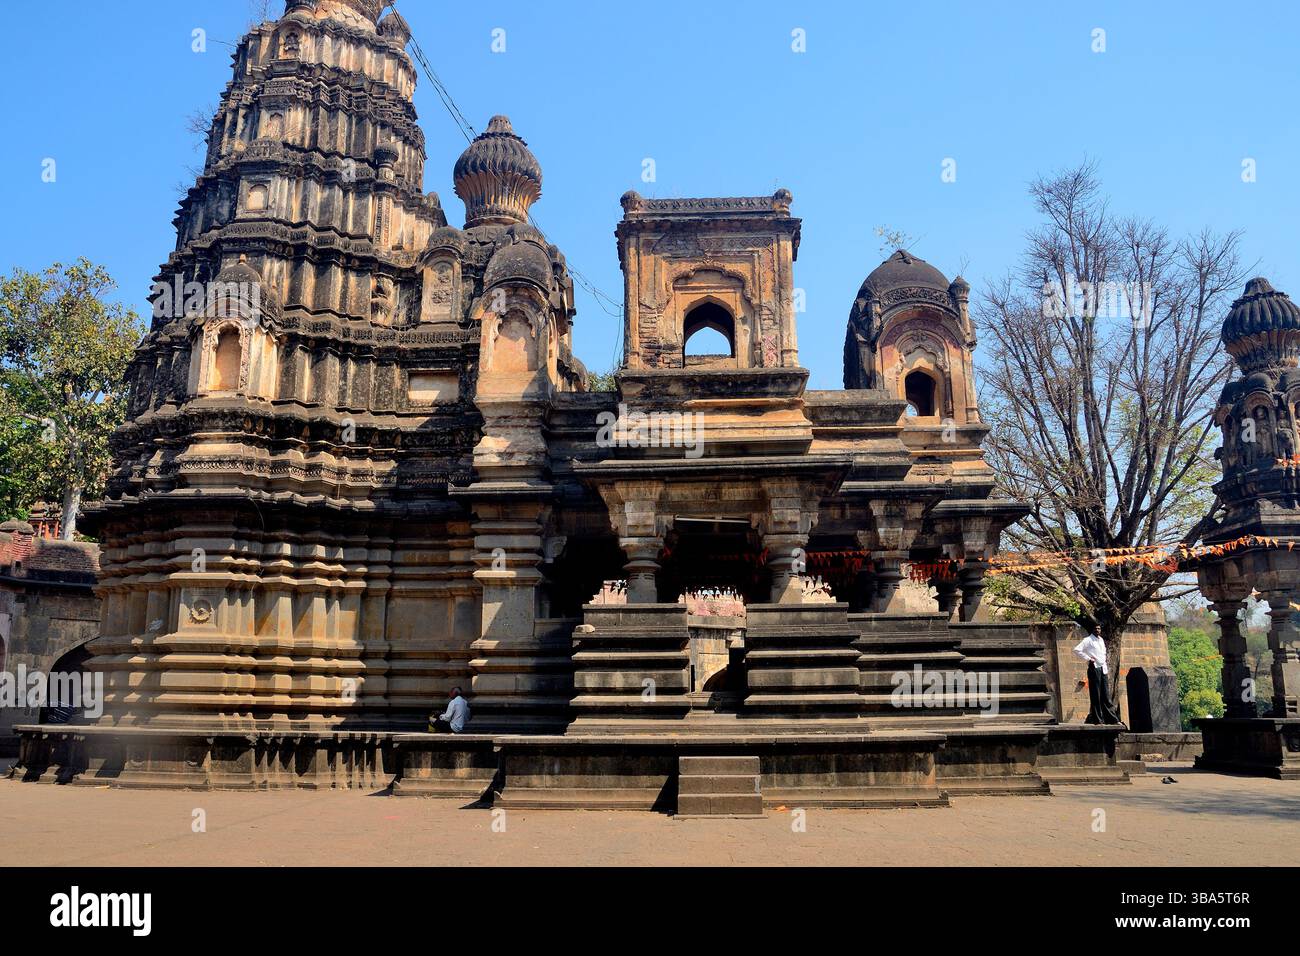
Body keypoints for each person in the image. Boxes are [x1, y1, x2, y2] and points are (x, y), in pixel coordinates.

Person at [1073, 627, 1121, 725]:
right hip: (1094, 668)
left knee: (1106, 695)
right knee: (1096, 694)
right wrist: (1088, 658)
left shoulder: (1101, 640)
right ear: (1093, 630)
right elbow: (1077, 650)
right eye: (1095, 628)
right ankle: (1098, 720)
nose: (1097, 630)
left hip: (1103, 668)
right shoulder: (1088, 640)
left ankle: (1112, 719)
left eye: (1099, 628)